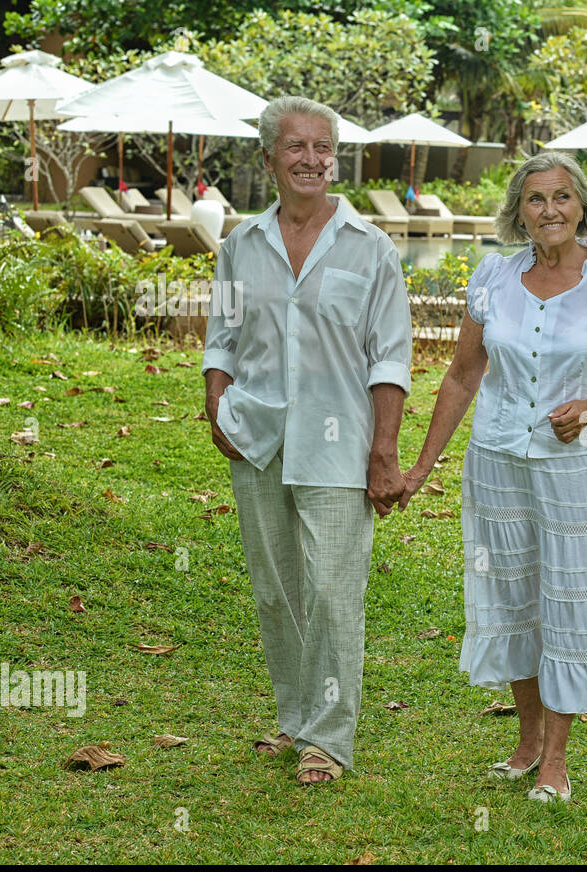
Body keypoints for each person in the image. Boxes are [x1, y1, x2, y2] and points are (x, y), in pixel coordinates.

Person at [397, 151, 587, 802]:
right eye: (536, 199)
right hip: (496, 463)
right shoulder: (493, 277)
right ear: (518, 211)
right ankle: (525, 743)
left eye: (562, 198)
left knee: (569, 606)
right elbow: (464, 374)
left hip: (581, 472)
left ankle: (556, 759)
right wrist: (419, 466)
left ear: (582, 207)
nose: (550, 211)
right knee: (512, 600)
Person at [201, 95, 412, 784]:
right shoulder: (241, 244)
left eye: (324, 147)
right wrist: (216, 404)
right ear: (269, 158)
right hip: (256, 434)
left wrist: (384, 451)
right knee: (276, 587)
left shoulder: (369, 246)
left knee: (331, 588)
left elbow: (391, 356)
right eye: (297, 147)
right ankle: (294, 718)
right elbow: (222, 336)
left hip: (339, 440)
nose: (312, 159)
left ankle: (329, 737)